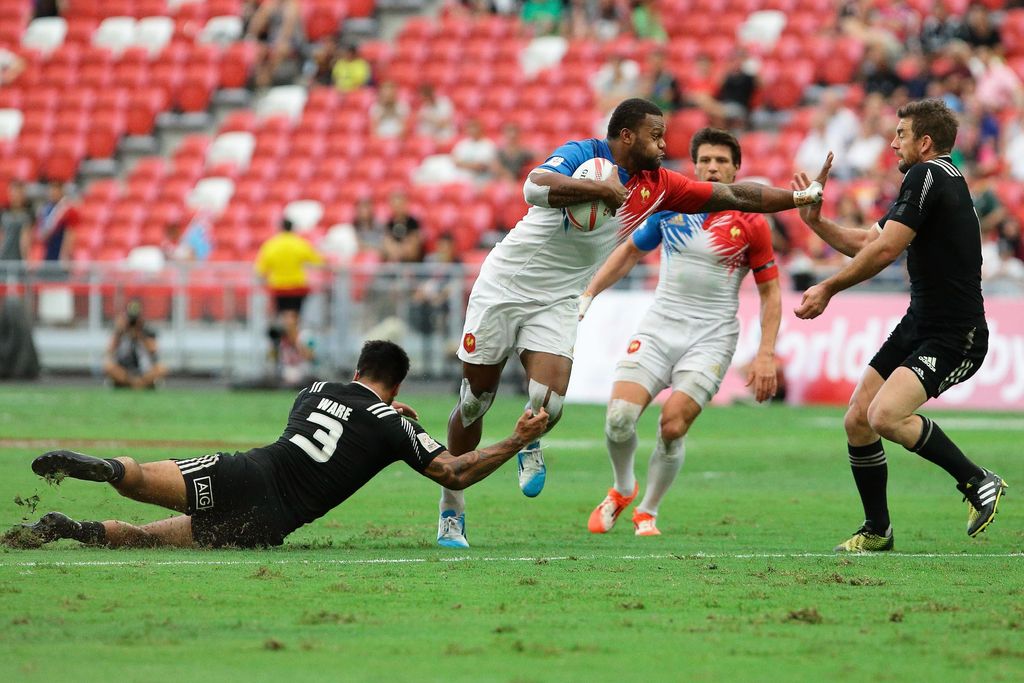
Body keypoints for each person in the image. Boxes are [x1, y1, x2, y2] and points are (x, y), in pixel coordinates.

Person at [435, 97, 828, 548]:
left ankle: (528, 441)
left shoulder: (660, 185)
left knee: (548, 405)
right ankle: (452, 505)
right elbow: (534, 185)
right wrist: (598, 191)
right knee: (473, 403)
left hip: (558, 298)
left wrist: (799, 196)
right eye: (655, 136)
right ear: (627, 136)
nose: (664, 145)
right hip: (503, 288)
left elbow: (736, 195)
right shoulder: (585, 155)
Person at [19, 340, 550, 549]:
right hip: (269, 522)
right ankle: (71, 529)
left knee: (137, 483)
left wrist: (386, 414)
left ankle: (106, 469)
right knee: (150, 539)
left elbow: (338, 420)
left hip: (248, 472)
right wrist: (515, 439)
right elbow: (454, 472)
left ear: (358, 369)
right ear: (397, 386)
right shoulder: (391, 423)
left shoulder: (312, 389)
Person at [791, 98, 1008, 552]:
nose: (892, 143)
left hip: (955, 334)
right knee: (857, 420)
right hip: (920, 323)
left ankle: (976, 479)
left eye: (902, 134)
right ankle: (877, 530)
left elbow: (886, 251)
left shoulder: (926, 175)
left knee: (884, 415)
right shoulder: (932, 182)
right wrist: (816, 222)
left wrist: (828, 287)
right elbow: (868, 242)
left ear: (925, 142)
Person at [579, 128, 781, 537]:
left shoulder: (752, 223)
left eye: (722, 160)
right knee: (619, 418)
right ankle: (623, 489)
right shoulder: (669, 207)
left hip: (711, 337)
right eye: (705, 159)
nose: (713, 166)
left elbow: (770, 293)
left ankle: (648, 510)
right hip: (659, 327)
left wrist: (765, 354)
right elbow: (630, 252)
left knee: (672, 426)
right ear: (695, 165)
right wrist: (589, 293)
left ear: (737, 168)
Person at [254, 218, 325, 385]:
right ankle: (298, 354)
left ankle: (286, 356)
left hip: (279, 289)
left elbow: (260, 270)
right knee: (294, 323)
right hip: (297, 289)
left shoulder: (271, 245)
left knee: (282, 324)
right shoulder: (299, 243)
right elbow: (318, 261)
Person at [103, 300, 167, 390]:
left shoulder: (147, 331)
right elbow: (110, 350)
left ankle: (135, 384)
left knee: (161, 369)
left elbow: (154, 351)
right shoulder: (121, 331)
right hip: (125, 371)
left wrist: (140, 335)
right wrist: (119, 332)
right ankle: (137, 384)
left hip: (144, 371)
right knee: (108, 367)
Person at [36, 181, 78, 266]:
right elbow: (42, 235)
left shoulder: (68, 210)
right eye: (51, 190)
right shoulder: (46, 210)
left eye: (55, 190)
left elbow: (70, 233)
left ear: (61, 191)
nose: (52, 193)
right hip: (48, 252)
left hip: (61, 255)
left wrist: (65, 255)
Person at [0, 180, 32, 275]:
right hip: (4, 254)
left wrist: (26, 259)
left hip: (19, 257)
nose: (16, 195)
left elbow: (26, 237)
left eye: (19, 192)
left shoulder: (29, 214)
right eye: (14, 192)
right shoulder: (3, 212)